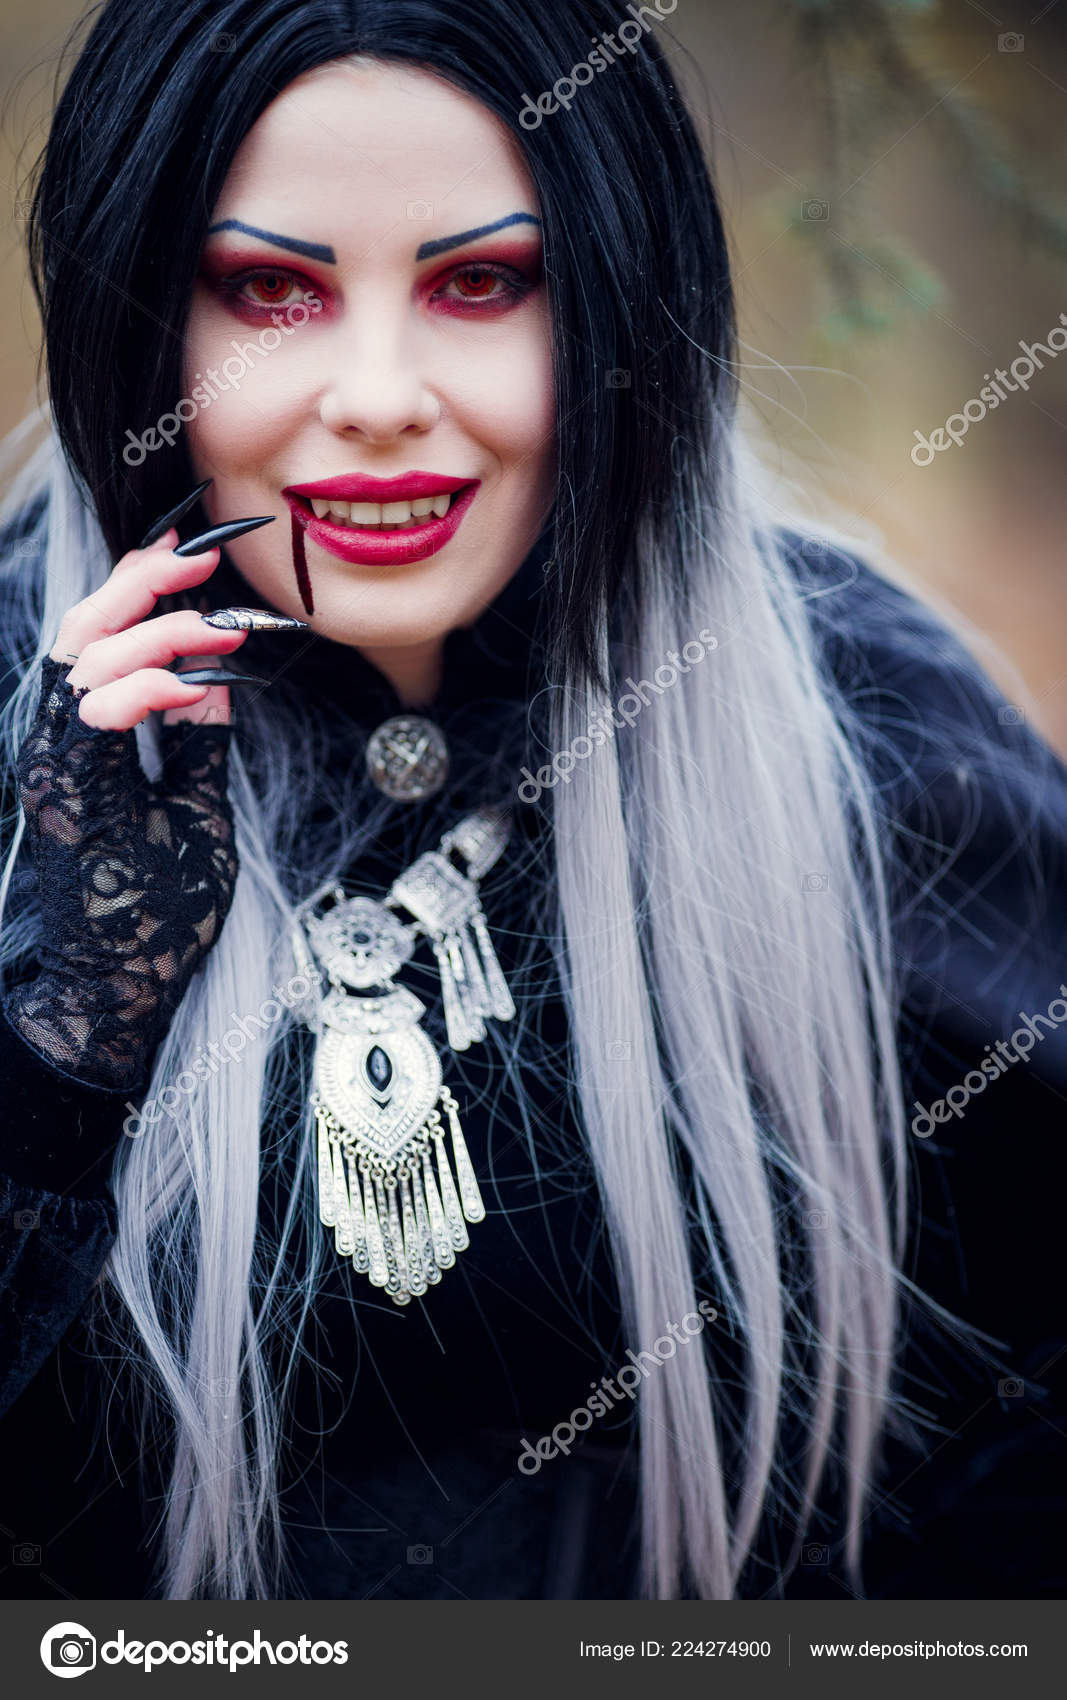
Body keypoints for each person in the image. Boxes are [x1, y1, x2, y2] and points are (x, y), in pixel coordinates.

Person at [0, 0, 1064, 1603]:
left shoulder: (872, 727)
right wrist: (55, 1056)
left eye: (481, 282)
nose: (375, 393)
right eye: (269, 289)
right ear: (141, 322)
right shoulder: (21, 707)